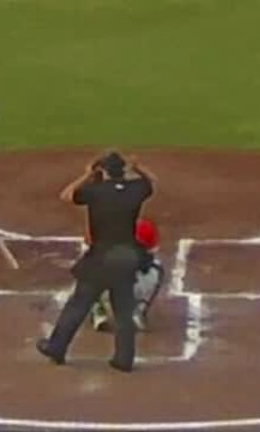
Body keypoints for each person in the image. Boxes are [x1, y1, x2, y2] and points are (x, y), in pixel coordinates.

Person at [36, 151, 156, 372]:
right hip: (127, 257)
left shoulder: (95, 191)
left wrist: (87, 175)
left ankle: (57, 347)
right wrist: (138, 167)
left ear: (104, 171)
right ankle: (124, 359)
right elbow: (152, 182)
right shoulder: (134, 190)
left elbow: (67, 195)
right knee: (123, 310)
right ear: (123, 171)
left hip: (101, 257)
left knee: (79, 304)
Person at [90, 216, 164, 333]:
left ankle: (99, 311)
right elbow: (150, 255)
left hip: (107, 288)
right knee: (157, 270)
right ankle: (138, 311)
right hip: (135, 288)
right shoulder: (146, 233)